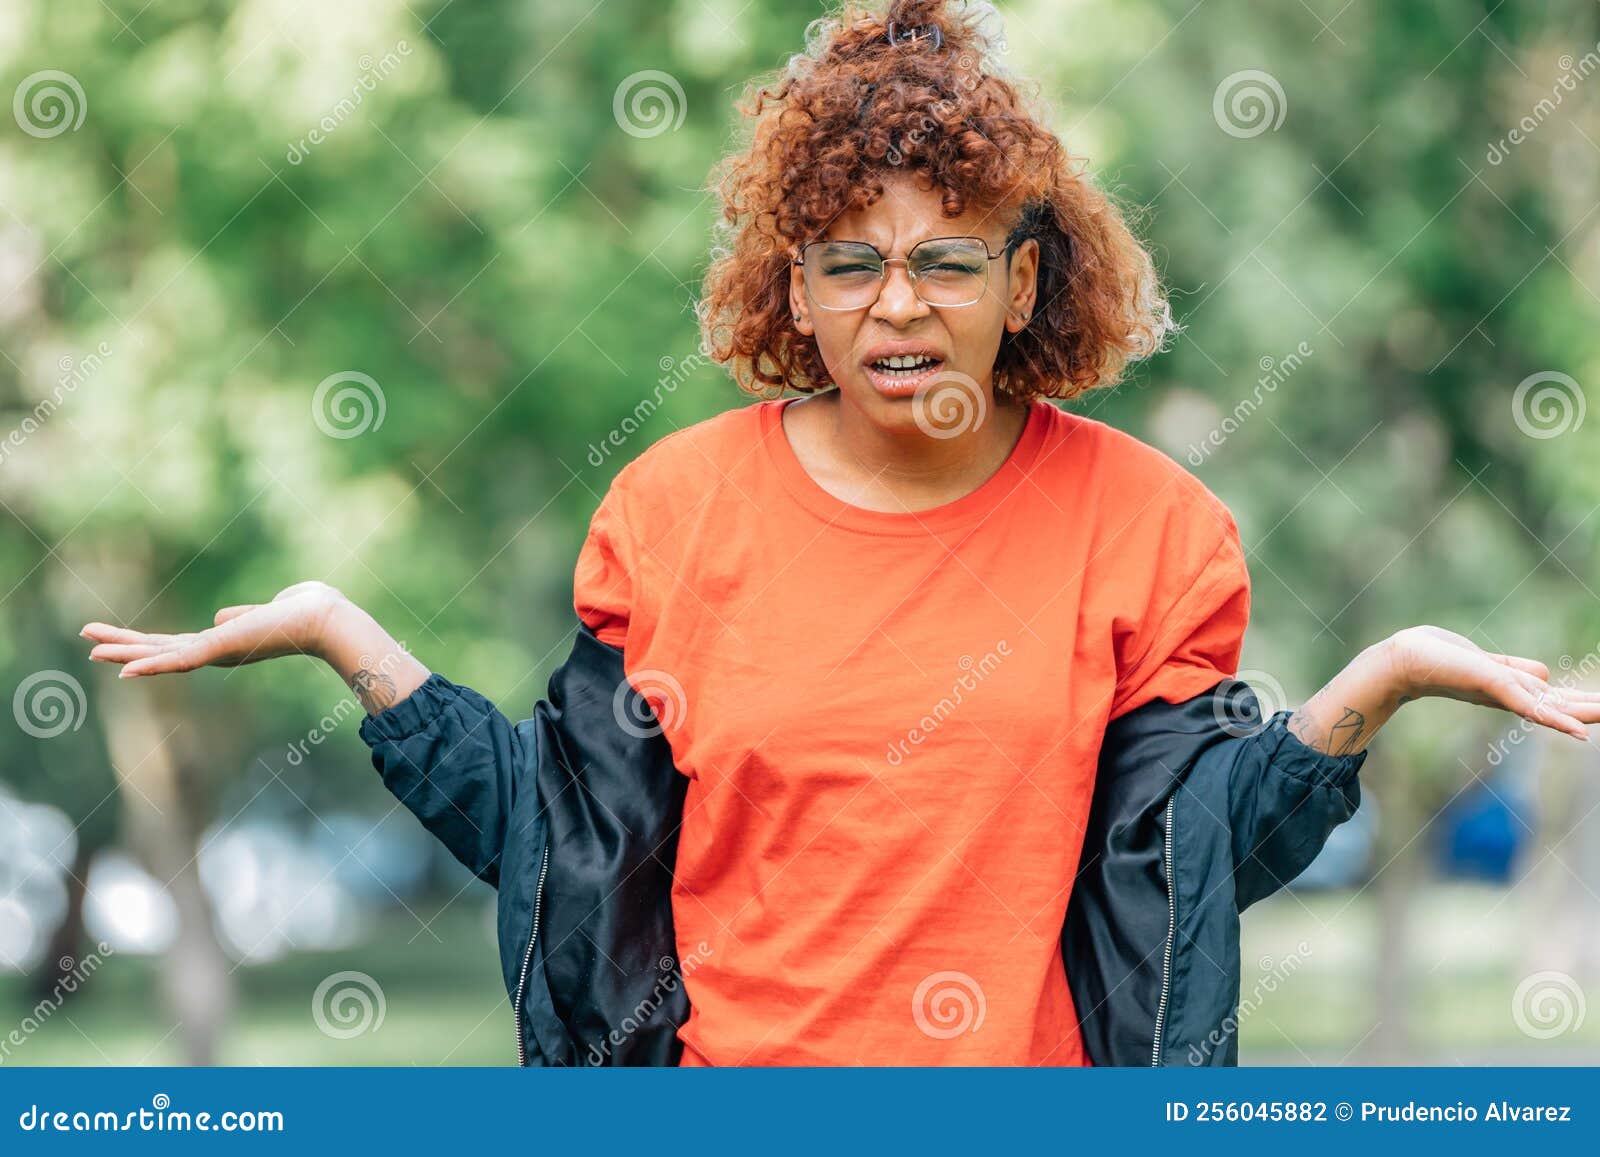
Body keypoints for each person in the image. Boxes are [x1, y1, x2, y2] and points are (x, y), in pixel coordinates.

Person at [79, 0, 1598, 1067]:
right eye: (849, 262)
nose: (897, 305)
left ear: (1023, 281)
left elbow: (1189, 863)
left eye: (948, 261)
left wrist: (1380, 682)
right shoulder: (670, 512)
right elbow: (567, 846)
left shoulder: (1151, 528)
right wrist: (349, 639)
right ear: (792, 289)